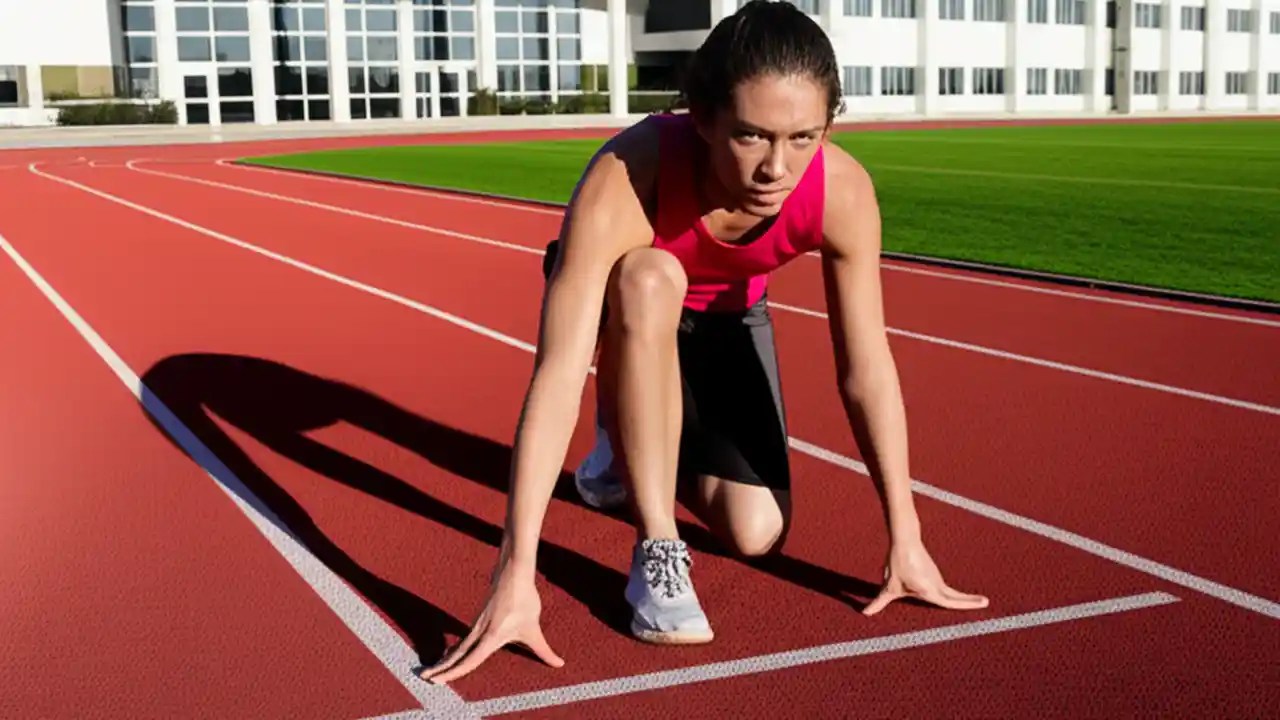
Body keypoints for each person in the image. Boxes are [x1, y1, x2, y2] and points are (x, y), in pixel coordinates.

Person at [420, 0, 987, 684]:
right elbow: (559, 373)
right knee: (651, 273)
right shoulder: (627, 178)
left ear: (829, 126)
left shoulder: (841, 191)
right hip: (626, 305)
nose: (777, 167)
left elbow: (866, 368)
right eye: (752, 136)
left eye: (804, 137)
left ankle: (620, 453)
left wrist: (907, 536)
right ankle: (656, 546)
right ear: (703, 118)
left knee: (756, 533)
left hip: (725, 320)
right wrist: (516, 571)